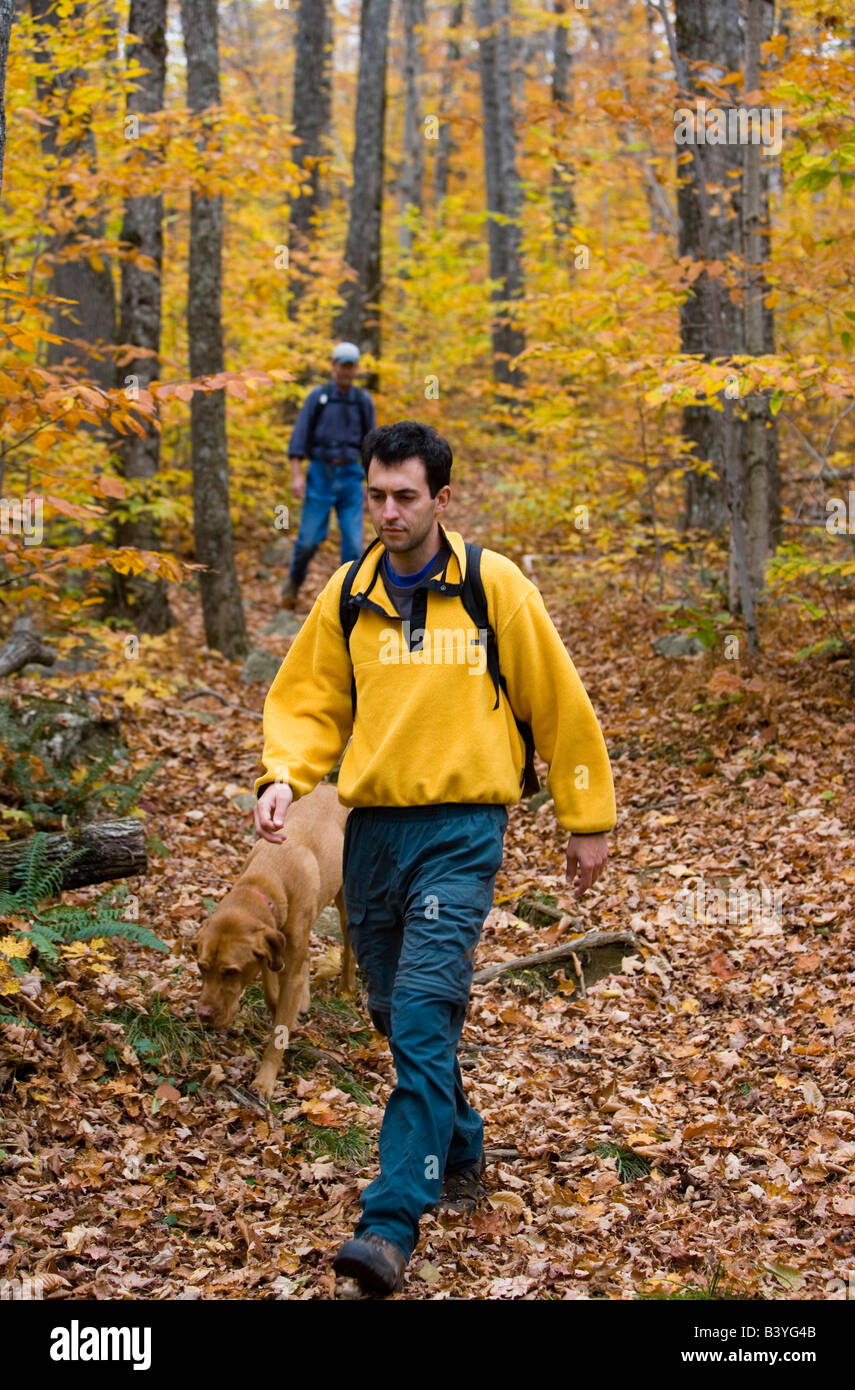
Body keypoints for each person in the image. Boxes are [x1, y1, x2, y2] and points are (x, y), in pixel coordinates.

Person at [253, 420, 616, 1296]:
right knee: (389, 1009)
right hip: (372, 832)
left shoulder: (495, 586)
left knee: (421, 1011)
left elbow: (557, 701)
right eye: (375, 494)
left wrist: (586, 814)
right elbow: (307, 703)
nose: (386, 510)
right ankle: (461, 1143)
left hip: (463, 833)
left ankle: (388, 1225)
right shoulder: (348, 593)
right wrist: (282, 777)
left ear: (442, 499)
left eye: (405, 496)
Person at [280, 342, 376, 610]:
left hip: (351, 476)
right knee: (308, 540)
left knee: (353, 547)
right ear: (333, 366)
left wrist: (374, 486)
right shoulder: (317, 397)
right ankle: (293, 583)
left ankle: (348, 602)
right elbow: (299, 437)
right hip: (320, 474)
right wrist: (296, 475)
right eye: (341, 365)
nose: (346, 371)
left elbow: (372, 446)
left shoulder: (362, 401)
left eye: (350, 366)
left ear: (355, 368)